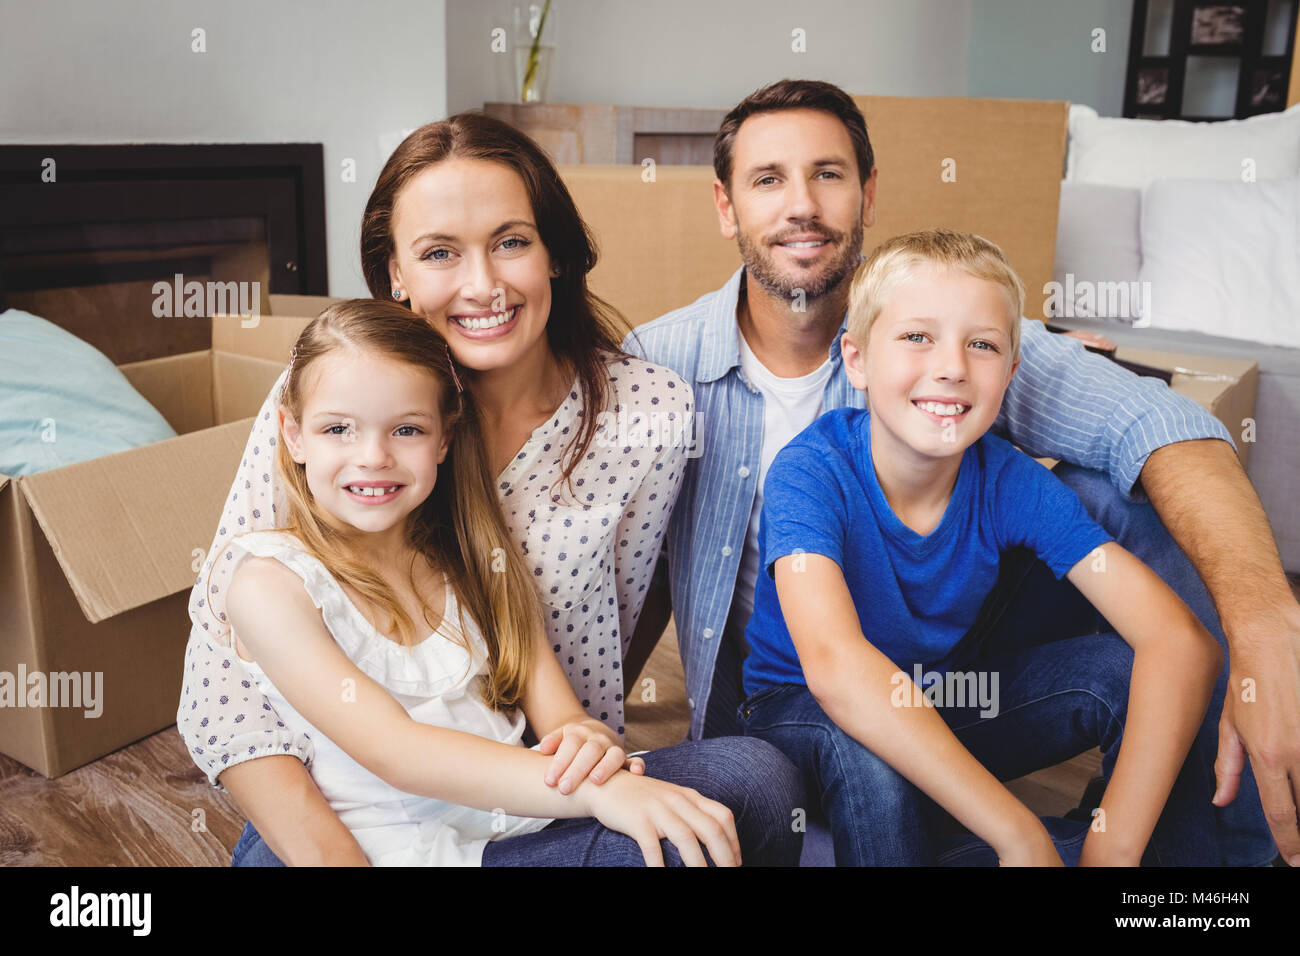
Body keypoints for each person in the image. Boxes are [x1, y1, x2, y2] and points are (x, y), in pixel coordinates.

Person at [622, 78, 1284, 866]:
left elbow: (1163, 428)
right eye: (769, 179)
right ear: (727, 206)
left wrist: (1266, 629)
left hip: (941, 683)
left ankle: (1197, 877)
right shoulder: (668, 372)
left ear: (867, 194)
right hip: (791, 715)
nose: (801, 203)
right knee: (868, 753)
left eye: (827, 174)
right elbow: (630, 572)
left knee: (1121, 503)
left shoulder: (970, 383)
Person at [178, 114, 710, 865]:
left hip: (538, 790)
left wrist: (584, 745)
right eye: (438, 253)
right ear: (395, 272)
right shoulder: (329, 391)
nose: (483, 285)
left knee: (746, 781)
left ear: (553, 250)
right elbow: (222, 682)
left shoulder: (647, 416)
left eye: (511, 241)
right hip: (344, 804)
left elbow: (620, 619)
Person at [210, 299, 803, 866]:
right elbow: (397, 752)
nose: (372, 457)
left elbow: (561, 713)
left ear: (444, 438)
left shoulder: (466, 558)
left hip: (526, 820)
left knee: (761, 777)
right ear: (292, 434)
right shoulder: (270, 583)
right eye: (338, 429)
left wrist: (587, 746)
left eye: (406, 430)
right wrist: (599, 795)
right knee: (665, 849)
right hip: (427, 851)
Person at [739, 229, 1223, 865]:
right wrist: (1017, 832)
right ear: (856, 360)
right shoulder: (811, 471)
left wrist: (1115, 846)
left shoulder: (1011, 481)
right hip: (802, 721)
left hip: (941, 703)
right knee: (867, 747)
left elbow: (1178, 642)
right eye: (917, 336)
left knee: (1124, 673)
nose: (952, 366)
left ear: (1011, 373)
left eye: (983, 345)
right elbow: (836, 669)